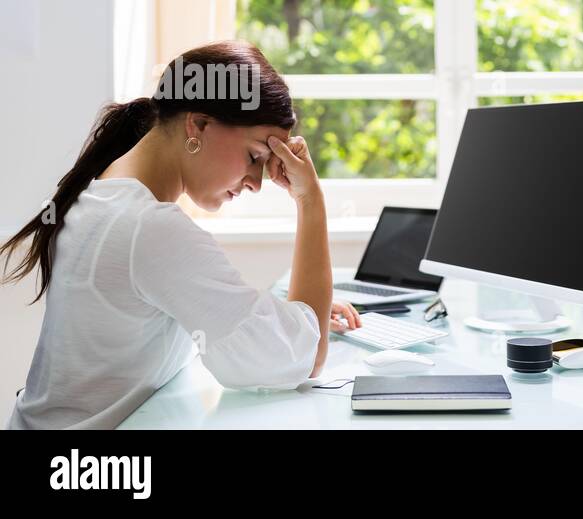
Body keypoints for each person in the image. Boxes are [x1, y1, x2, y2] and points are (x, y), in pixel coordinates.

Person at [1, 41, 361, 429]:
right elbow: (308, 357)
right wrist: (311, 199)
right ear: (199, 124)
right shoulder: (150, 228)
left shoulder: (101, 195)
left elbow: (166, 310)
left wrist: (278, 311)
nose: (258, 182)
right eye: (256, 156)